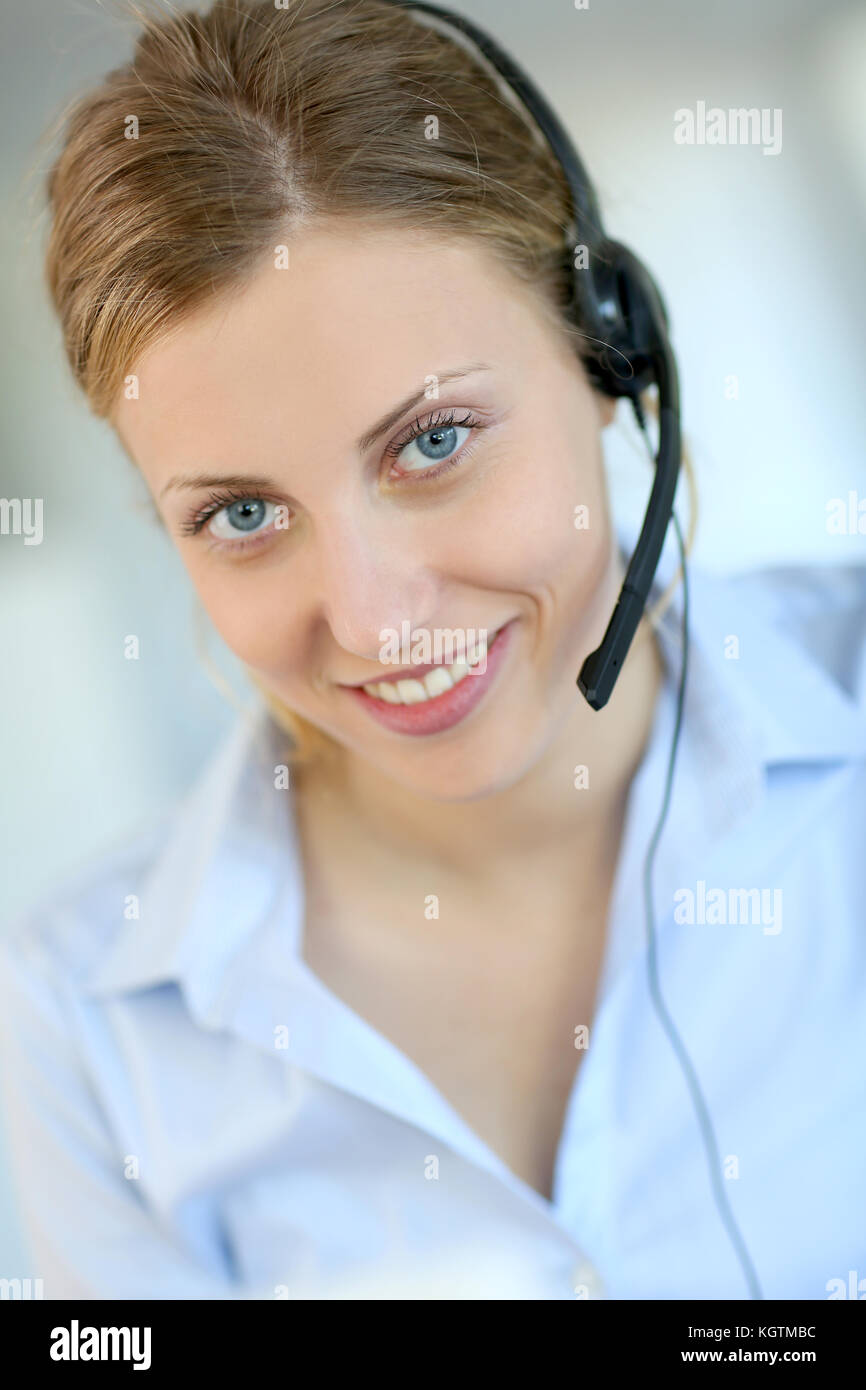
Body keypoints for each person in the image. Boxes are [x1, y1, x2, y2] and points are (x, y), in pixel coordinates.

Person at [1, 0, 864, 1301]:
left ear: (606, 351)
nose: (371, 618)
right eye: (242, 515)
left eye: (432, 441)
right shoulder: (77, 1020)